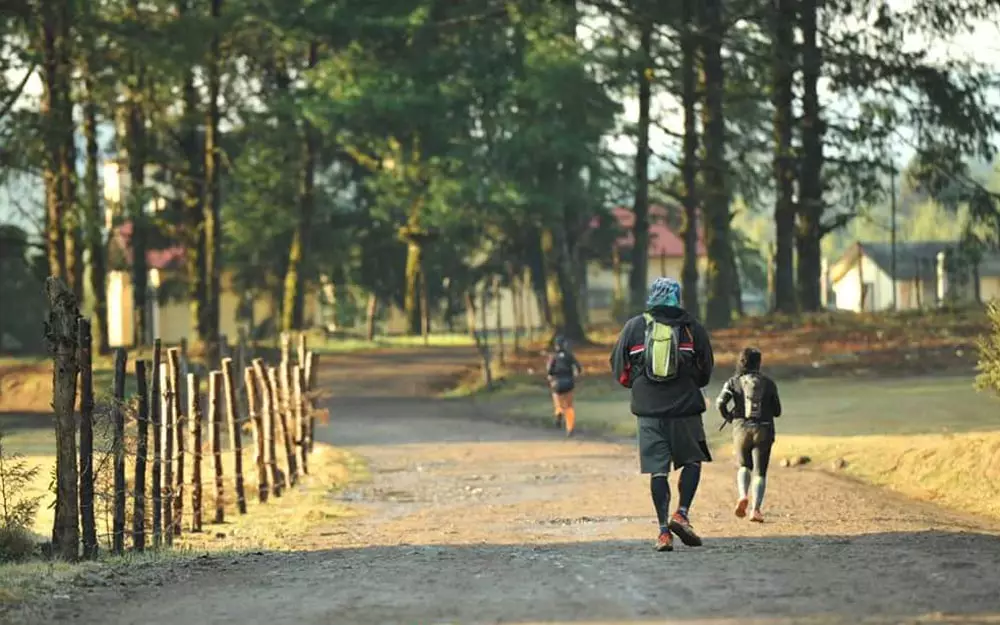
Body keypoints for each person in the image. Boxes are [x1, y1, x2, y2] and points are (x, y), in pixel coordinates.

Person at [610, 277, 714, 552]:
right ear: (677, 298)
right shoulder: (692, 328)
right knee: (692, 461)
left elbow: (618, 367)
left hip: (648, 413)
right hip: (685, 411)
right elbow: (705, 373)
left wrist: (639, 385)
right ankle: (681, 513)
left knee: (658, 472)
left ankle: (663, 532)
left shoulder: (634, 327)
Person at [715, 347, 782, 523]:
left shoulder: (733, 382)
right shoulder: (768, 383)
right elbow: (777, 411)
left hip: (741, 429)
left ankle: (743, 495)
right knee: (760, 472)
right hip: (764, 429)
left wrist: (729, 417)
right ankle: (756, 510)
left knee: (744, 466)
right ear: (759, 363)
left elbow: (720, 403)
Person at [547, 335, 583, 436]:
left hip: (557, 383)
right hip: (569, 383)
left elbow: (550, 371)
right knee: (569, 406)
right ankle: (570, 428)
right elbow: (578, 368)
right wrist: (576, 375)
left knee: (558, 403)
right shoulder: (569, 356)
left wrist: (551, 378)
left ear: (556, 346)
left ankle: (558, 413)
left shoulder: (553, 357)